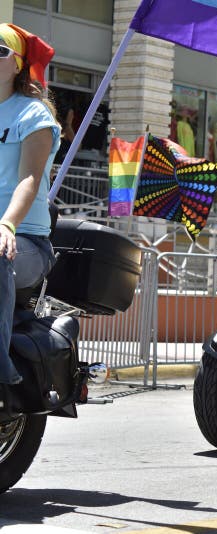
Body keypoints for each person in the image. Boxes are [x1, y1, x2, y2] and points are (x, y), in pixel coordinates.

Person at [0, 23, 59, 385]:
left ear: (18, 64)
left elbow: (29, 178)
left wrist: (6, 225)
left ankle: (0, 367)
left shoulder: (32, 115)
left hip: (27, 243)